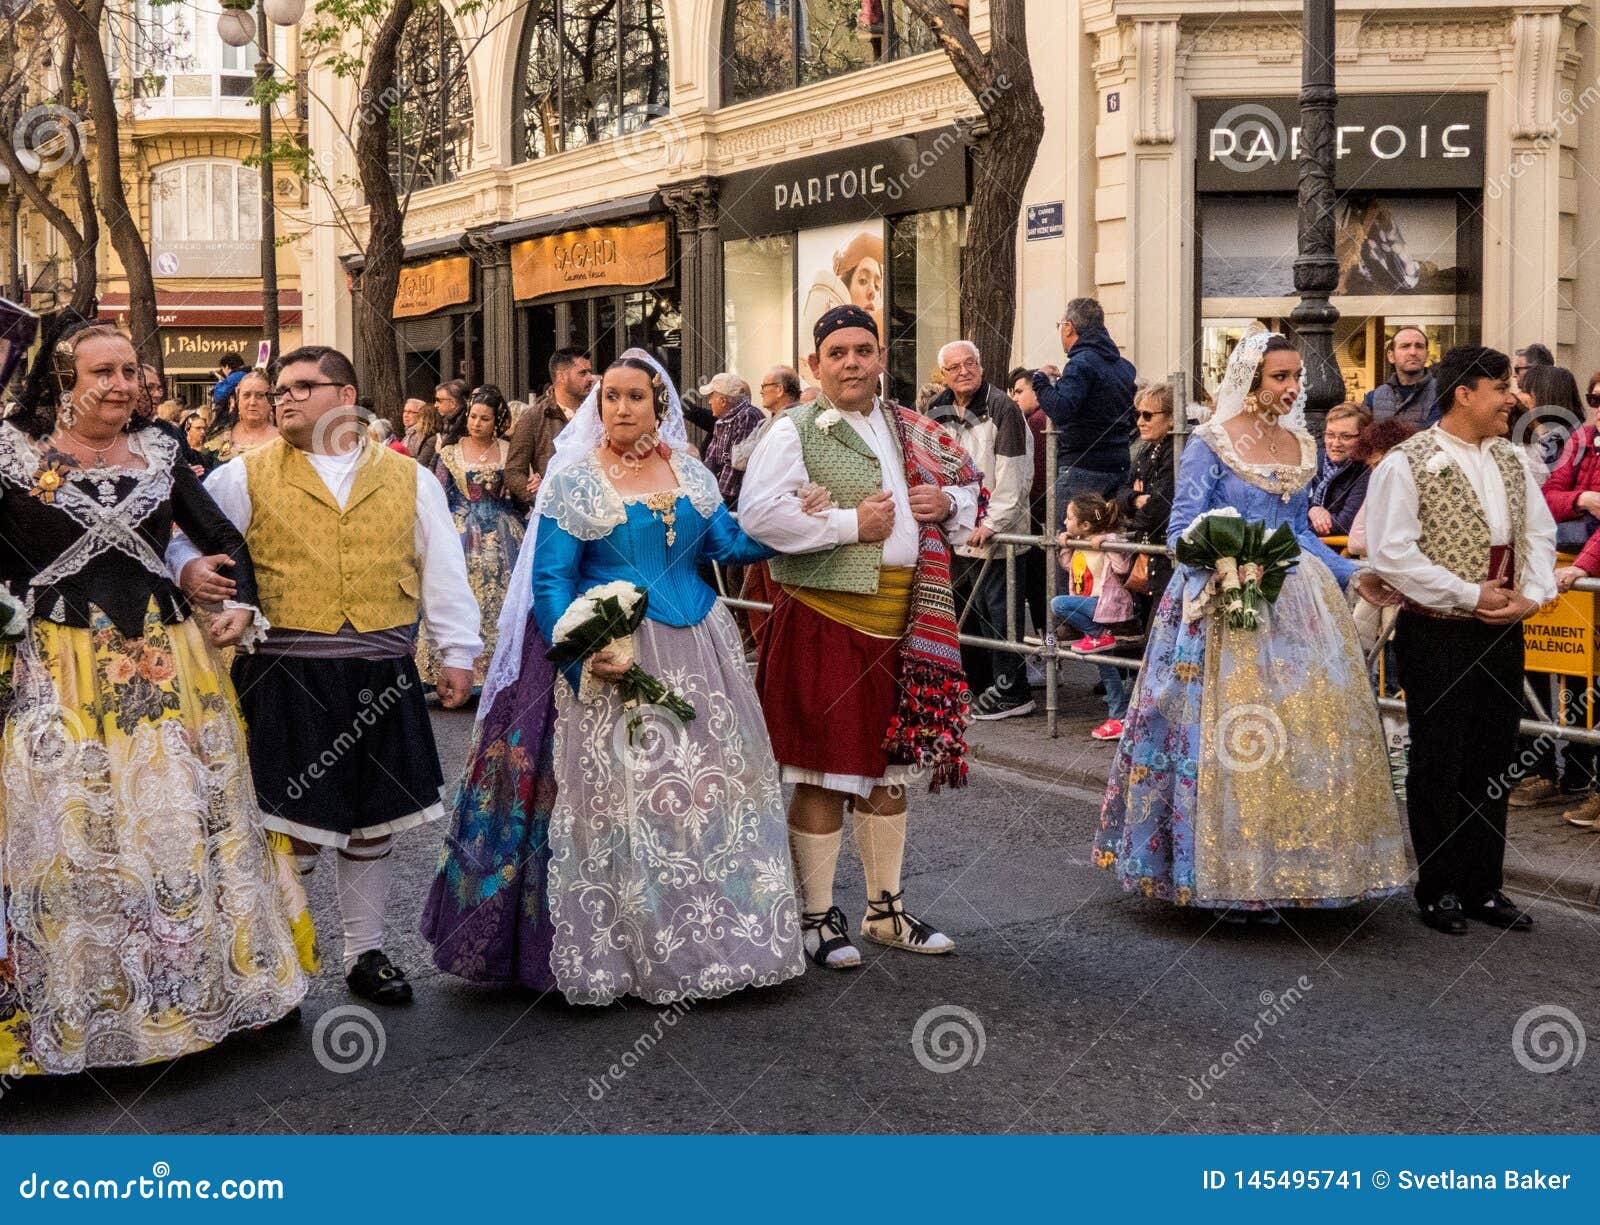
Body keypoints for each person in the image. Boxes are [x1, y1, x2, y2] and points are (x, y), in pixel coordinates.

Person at [425, 350, 805, 1003]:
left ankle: (713, 933)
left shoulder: (688, 470)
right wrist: (579, 646)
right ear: (598, 408)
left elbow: (728, 546)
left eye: (636, 396)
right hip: (616, 651)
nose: (623, 408)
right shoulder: (576, 480)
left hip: (701, 649)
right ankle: (626, 946)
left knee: (709, 796)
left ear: (659, 403)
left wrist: (795, 520)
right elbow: (551, 580)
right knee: (620, 805)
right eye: (611, 397)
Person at [0, 323, 309, 1076]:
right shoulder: (11, 453)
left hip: (166, 665)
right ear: (63, 382)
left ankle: (190, 988)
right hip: (56, 665)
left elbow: (220, 534)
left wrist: (240, 602)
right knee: (73, 825)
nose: (119, 385)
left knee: (177, 821)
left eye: (129, 371)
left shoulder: (164, 450)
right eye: (101, 372)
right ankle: (85, 1003)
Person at [169, 344, 482, 1004]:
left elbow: (443, 567)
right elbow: (186, 542)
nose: (285, 396)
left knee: (373, 821)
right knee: (290, 823)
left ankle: (364, 954)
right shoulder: (242, 475)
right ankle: (281, 965)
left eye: (304, 385)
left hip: (381, 671)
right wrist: (194, 576)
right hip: (285, 672)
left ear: (346, 396)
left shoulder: (409, 479)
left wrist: (459, 652)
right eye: (280, 387)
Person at [1096, 329, 1408, 923]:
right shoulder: (1211, 444)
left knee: (1300, 738)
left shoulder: (1301, 444)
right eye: (1280, 378)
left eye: (1296, 377)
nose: (1292, 389)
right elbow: (1181, 527)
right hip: (1222, 606)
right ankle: (1224, 872)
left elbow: (1300, 534)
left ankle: (1290, 869)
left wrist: (1355, 574)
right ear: (1251, 379)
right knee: (1232, 742)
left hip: (1295, 603)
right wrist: (1223, 561)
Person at [740, 305, 982, 968]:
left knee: (889, 768)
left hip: (900, 618)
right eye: (838, 352)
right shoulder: (793, 430)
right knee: (822, 772)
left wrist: (946, 504)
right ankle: (816, 917)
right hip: (825, 616)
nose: (852, 362)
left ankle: (885, 910)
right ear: (816, 365)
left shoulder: (909, 426)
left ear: (881, 359)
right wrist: (850, 526)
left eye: (863, 350)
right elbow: (757, 515)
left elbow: (967, 484)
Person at [1366, 345, 1557, 935]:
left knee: (1492, 757)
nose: (1515, 398)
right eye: (1501, 387)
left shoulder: (1513, 459)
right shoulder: (1408, 461)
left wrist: (1532, 594)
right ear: (1464, 394)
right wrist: (1469, 594)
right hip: (1438, 632)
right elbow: (1391, 552)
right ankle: (1438, 887)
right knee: (1438, 758)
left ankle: (1483, 887)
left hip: (1502, 631)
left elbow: (1541, 533)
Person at [930, 340, 1034, 720]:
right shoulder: (938, 408)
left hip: (995, 528)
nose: (963, 371)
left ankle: (1012, 691)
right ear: (943, 374)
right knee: (964, 609)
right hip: (956, 525)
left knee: (1000, 613)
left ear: (981, 365)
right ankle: (974, 685)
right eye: (954, 366)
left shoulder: (1002, 408)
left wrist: (993, 522)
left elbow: (1013, 471)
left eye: (970, 363)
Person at [415, 387, 525, 692]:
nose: (477, 423)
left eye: (485, 419)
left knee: (505, 600)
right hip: (463, 529)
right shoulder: (449, 452)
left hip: (505, 530)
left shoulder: (508, 449)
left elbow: (518, 492)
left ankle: (499, 672)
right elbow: (439, 493)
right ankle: (453, 666)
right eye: (473, 416)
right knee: (460, 590)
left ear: (496, 420)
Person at [1033, 297, 1137, 508]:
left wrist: (1040, 380)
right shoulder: (1124, 367)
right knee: (1104, 532)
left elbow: (1061, 409)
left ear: (1069, 327)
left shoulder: (1080, 364)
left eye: (1059, 326)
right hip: (1119, 465)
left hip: (1082, 468)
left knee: (1071, 536)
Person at [1053, 493, 1137, 740]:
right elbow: (1070, 568)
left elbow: (1122, 568)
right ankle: (1117, 716)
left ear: (1086, 525)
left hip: (1105, 606)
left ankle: (1099, 635)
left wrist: (1109, 544)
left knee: (1058, 603)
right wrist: (1066, 544)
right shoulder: (1080, 543)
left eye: (1069, 518)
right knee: (1106, 668)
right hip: (1090, 608)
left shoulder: (1107, 541)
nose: (1064, 522)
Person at [738, 366, 805, 645]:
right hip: (759, 518)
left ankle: (777, 645)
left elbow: (746, 457)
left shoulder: (798, 420)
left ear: (779, 389)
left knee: (777, 589)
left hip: (783, 518)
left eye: (765, 386)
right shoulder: (768, 421)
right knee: (756, 588)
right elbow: (739, 457)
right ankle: (765, 642)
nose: (761, 392)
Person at [1111, 382, 1176, 623]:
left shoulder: (1177, 450)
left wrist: (1135, 513)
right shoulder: (1147, 451)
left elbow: (1160, 507)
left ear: (1171, 418)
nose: (1140, 422)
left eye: (1148, 415)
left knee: (1156, 636)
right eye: (1137, 414)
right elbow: (1121, 493)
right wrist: (1135, 500)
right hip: (1145, 558)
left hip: (1167, 562)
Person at [505, 347, 595, 506]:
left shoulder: (599, 412)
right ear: (561, 376)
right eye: (583, 373)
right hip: (556, 513)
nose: (590, 378)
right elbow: (513, 472)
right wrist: (541, 496)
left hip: (598, 507)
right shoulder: (533, 418)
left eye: (590, 372)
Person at [1010, 366, 1051, 638]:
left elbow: (1035, 474)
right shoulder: (1038, 419)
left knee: (1036, 585)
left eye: (1020, 391)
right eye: (1011, 392)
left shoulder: (1036, 422)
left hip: (1036, 515)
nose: (1014, 398)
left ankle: (1043, 647)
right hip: (1040, 513)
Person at [1307, 403, 1373, 536]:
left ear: (1363, 438)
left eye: (1346, 437)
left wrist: (1304, 527)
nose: (1336, 443)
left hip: (1339, 549)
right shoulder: (1313, 459)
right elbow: (1294, 506)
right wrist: (1312, 509)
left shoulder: (1367, 470)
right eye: (1330, 435)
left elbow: (1344, 524)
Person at [701, 372, 763, 506]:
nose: (709, 401)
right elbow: (710, 460)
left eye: (712, 396)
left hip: (738, 501)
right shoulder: (722, 421)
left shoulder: (747, 416)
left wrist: (719, 502)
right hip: (723, 498)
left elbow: (735, 465)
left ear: (723, 401)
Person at [1362, 325, 1438, 430]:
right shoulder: (1373, 398)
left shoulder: (1443, 393)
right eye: (1405, 346)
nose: (1413, 352)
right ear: (1391, 356)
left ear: (1426, 355)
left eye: (1419, 346)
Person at [205, 368, 279, 463]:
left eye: (260, 395)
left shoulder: (286, 440)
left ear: (271, 399)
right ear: (238, 399)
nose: (252, 402)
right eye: (246, 395)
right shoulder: (217, 439)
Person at [417, 379, 469, 469]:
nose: (435, 405)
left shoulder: (465, 425)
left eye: (438, 400)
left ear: (452, 403)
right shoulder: (446, 423)